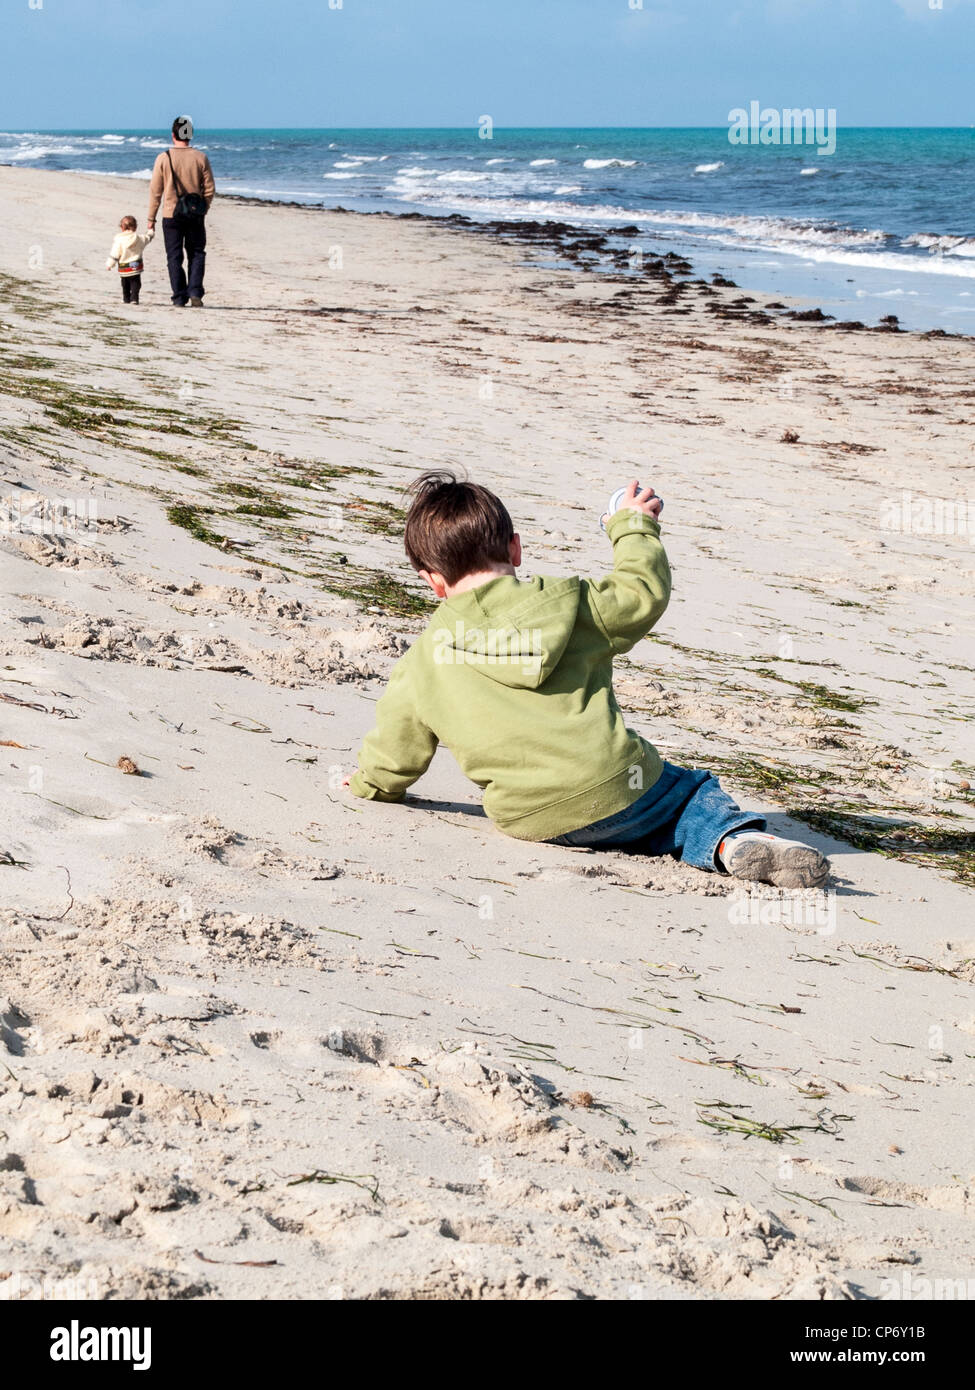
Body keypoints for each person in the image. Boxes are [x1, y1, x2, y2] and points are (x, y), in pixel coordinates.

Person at [343, 471, 830, 889]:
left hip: (530, 818)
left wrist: (371, 784)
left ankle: (701, 839)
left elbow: (398, 745)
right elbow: (642, 593)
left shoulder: (423, 659)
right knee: (687, 797)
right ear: (515, 548)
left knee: (648, 817)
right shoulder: (572, 603)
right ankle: (732, 841)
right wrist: (632, 526)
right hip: (619, 787)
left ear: (432, 579)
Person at [147, 116, 215, 308]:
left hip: (171, 215)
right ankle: (194, 291)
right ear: (190, 135)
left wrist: (151, 218)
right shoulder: (201, 158)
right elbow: (209, 189)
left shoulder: (163, 158)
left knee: (174, 257)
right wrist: (203, 208)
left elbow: (155, 191)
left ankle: (179, 296)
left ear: (172, 135)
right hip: (195, 215)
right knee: (197, 253)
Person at [105, 214, 153, 305]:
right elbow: (148, 238)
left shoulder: (119, 240)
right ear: (135, 227)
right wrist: (151, 231)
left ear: (122, 227)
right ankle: (134, 298)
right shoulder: (138, 238)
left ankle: (126, 298)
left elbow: (115, 253)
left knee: (125, 284)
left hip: (124, 267)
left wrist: (109, 264)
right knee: (136, 283)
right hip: (136, 267)